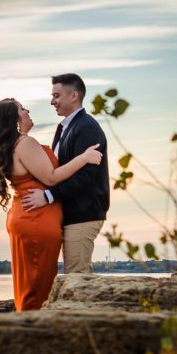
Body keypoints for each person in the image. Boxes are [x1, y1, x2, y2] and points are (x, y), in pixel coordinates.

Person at [0, 98, 102, 311]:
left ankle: (28, 327)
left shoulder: (11, 146)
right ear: (14, 118)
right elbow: (51, 177)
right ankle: (34, 332)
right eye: (22, 109)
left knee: (31, 284)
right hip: (36, 219)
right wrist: (84, 158)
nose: (27, 110)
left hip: (26, 215)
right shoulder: (24, 143)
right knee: (39, 287)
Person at [20, 73, 110, 274]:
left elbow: (85, 177)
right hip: (72, 214)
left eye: (57, 95)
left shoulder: (87, 127)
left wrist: (48, 196)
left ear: (74, 95)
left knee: (76, 275)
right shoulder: (66, 128)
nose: (52, 101)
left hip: (83, 214)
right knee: (78, 273)